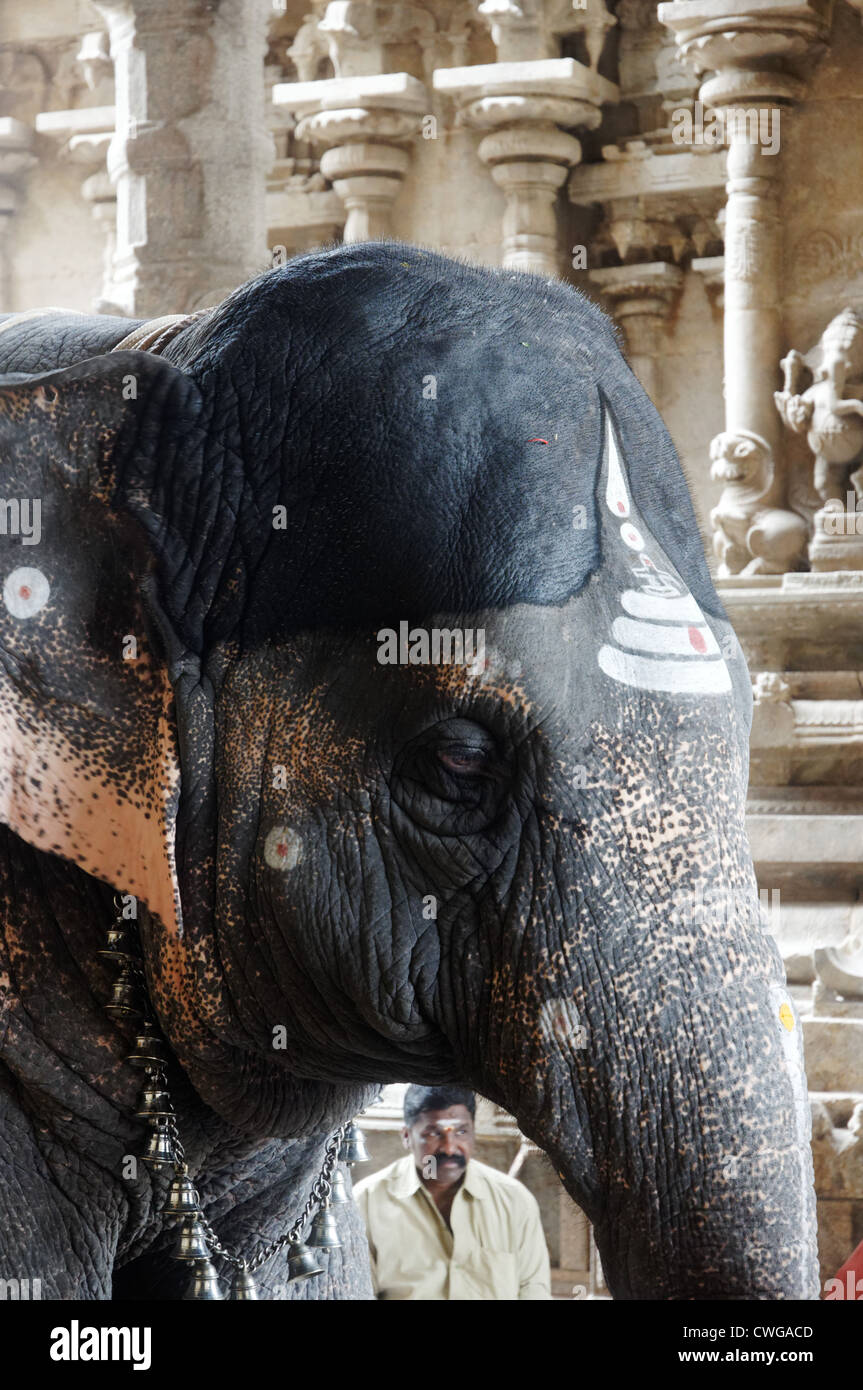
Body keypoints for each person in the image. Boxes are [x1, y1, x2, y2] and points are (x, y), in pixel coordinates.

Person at [353, 1084, 551, 1300]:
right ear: (407, 1136)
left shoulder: (514, 1201)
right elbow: (358, 1293)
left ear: (474, 1131)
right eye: (433, 1133)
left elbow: (534, 1290)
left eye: (461, 1131)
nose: (449, 1147)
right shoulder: (367, 1202)